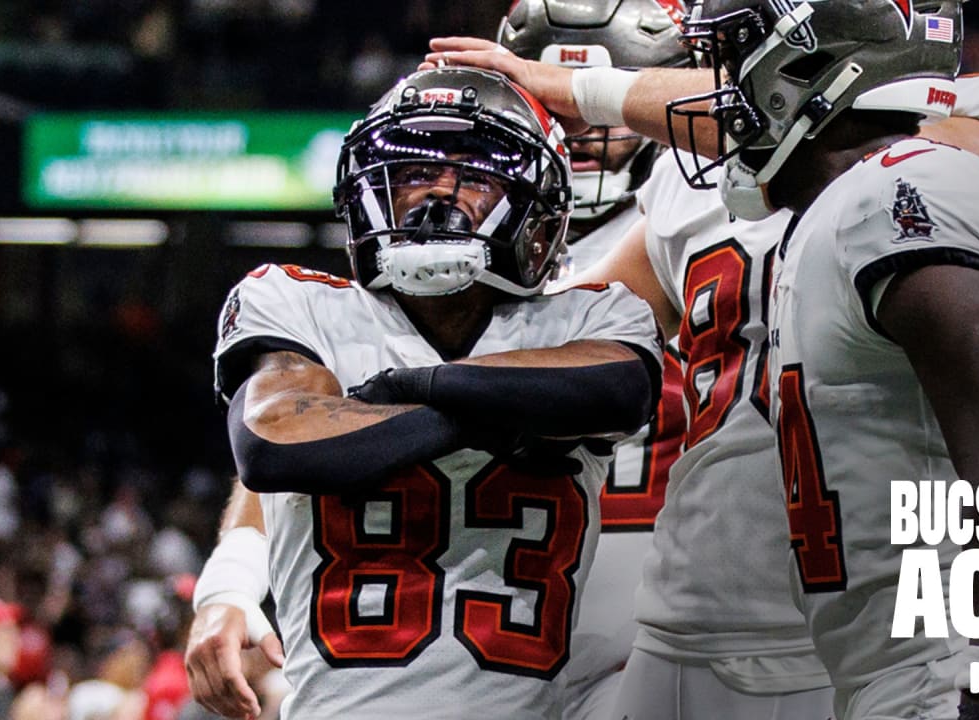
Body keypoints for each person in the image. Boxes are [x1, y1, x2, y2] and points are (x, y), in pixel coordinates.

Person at [421, 4, 979, 720]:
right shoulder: (722, 187)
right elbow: (578, 332)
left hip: (922, 627)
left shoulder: (976, 131)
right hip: (729, 613)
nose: (724, 84)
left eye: (745, 53)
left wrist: (584, 87)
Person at [208, 66, 661, 720]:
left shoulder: (591, 316)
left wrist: (404, 392)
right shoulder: (295, 300)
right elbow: (275, 443)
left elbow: (620, 388)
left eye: (475, 176)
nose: (440, 192)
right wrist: (498, 411)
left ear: (535, 209)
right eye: (416, 171)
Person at [498, 2, 690, 718]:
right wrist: (235, 580)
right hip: (496, 607)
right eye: (545, 97)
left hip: (669, 611)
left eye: (584, 102)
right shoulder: (449, 237)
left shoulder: (705, 221)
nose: (572, 130)